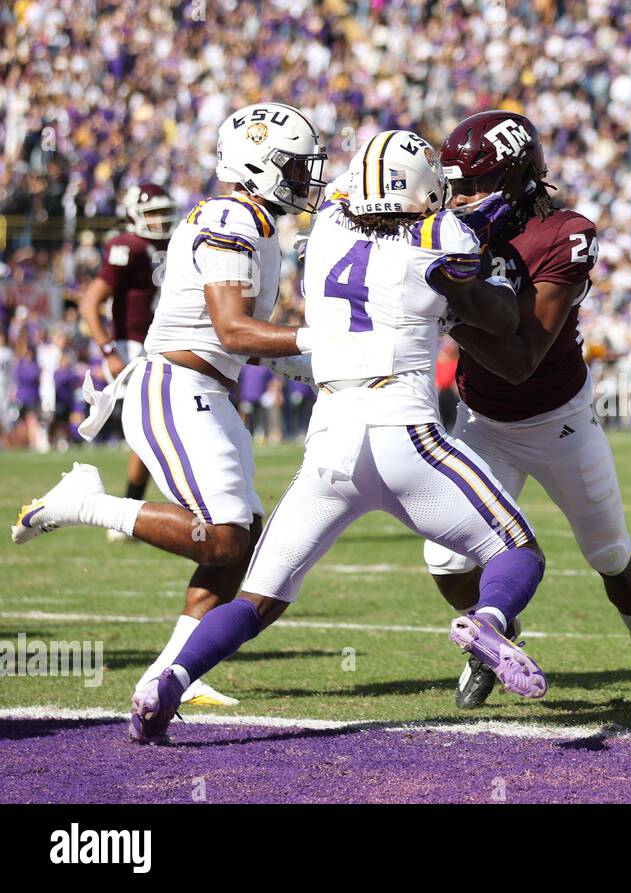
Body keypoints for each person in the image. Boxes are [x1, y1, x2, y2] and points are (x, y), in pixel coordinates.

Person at [129, 130, 547, 744]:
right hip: (407, 435)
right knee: (518, 550)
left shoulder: (326, 227)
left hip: (329, 443)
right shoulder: (442, 239)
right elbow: (501, 318)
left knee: (254, 602)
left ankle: (168, 680)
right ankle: (487, 620)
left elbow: (369, 207)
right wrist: (484, 254)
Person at [11, 102, 328, 711]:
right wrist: (328, 339)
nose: (301, 178)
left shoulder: (253, 222)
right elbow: (235, 332)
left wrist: (323, 366)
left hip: (207, 390)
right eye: (291, 165)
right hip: (176, 388)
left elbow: (239, 344)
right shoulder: (232, 219)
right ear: (256, 163)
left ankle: (173, 670)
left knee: (242, 540)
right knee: (225, 540)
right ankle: (85, 502)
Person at [422, 110, 631, 708]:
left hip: (557, 419)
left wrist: (445, 312)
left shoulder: (565, 234)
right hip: (480, 421)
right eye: (454, 186)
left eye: (472, 185)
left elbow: (521, 359)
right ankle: (493, 635)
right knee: (445, 558)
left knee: (610, 555)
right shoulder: (446, 226)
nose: (458, 198)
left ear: (518, 178)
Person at [77, 183, 176, 541]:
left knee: (156, 433)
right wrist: (108, 350)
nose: (160, 220)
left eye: (164, 212)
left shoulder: (167, 245)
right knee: (149, 434)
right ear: (133, 214)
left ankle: (131, 514)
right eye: (151, 213)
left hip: (161, 345)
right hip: (131, 347)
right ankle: (127, 515)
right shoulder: (126, 246)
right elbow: (90, 304)